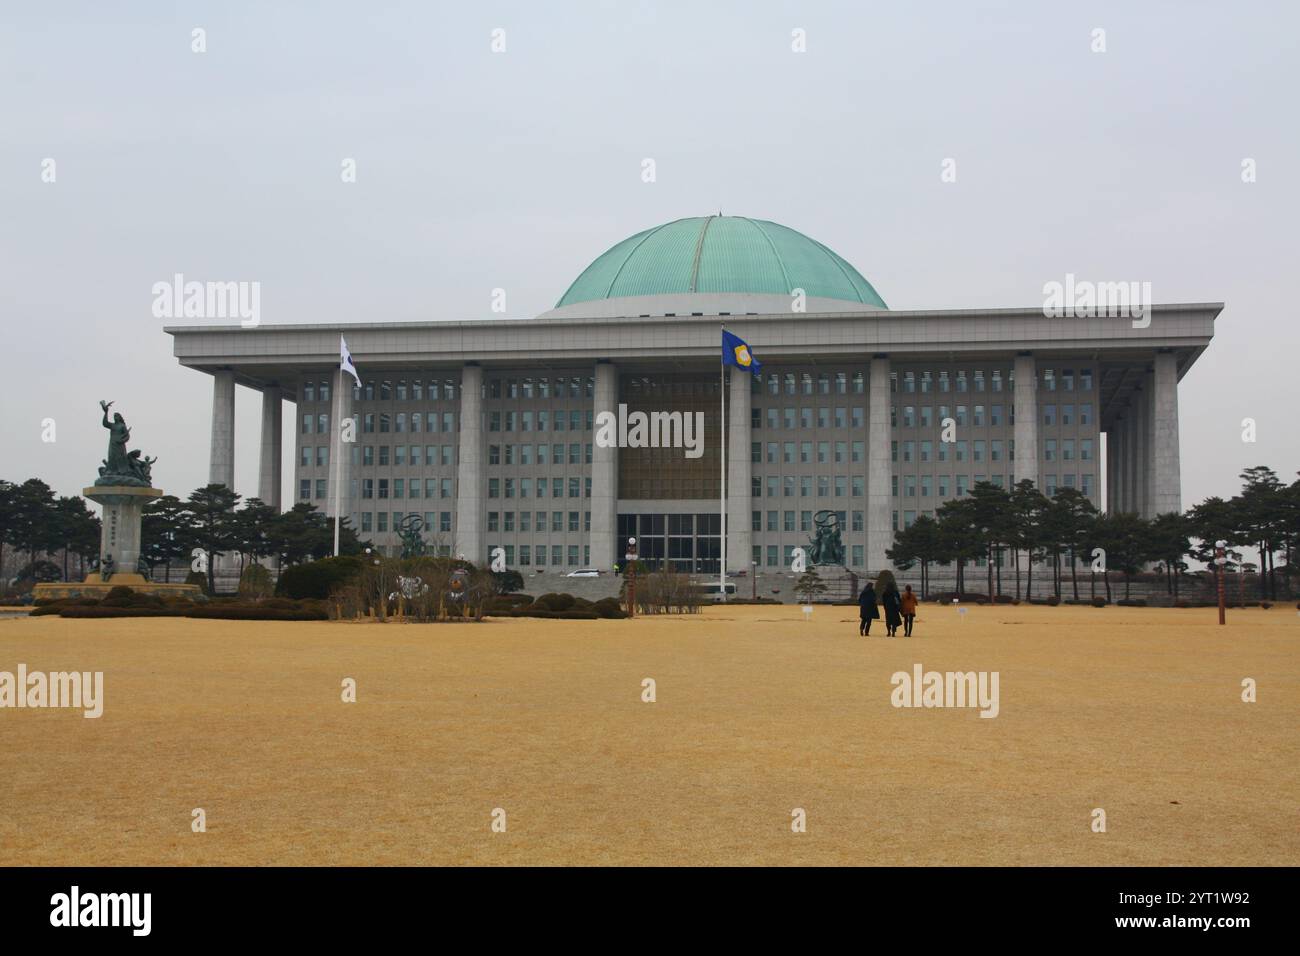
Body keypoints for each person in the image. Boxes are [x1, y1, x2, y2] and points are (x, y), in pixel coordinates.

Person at [878, 571, 902, 637]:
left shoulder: (885, 593)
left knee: (888, 621)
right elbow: (899, 599)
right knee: (894, 621)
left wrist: (885, 607)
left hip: (888, 608)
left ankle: (889, 631)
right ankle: (893, 632)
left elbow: (883, 601)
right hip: (894, 608)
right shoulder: (895, 592)